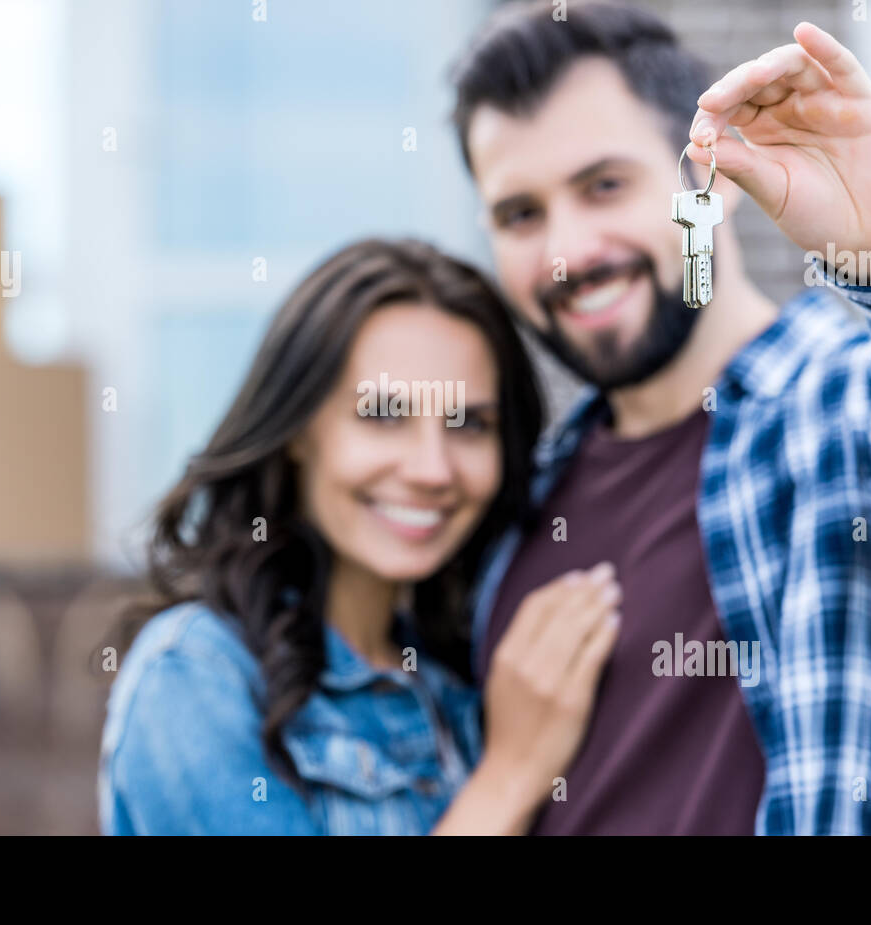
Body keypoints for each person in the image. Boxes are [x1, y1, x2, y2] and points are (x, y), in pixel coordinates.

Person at [450, 0, 871, 833]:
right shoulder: (514, 503)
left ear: (709, 182)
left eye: (605, 185)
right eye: (520, 214)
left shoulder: (848, 413)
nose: (567, 251)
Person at [97, 238, 622, 834]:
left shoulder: (458, 682)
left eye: (469, 423)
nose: (433, 469)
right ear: (298, 431)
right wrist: (510, 776)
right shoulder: (196, 675)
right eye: (384, 416)